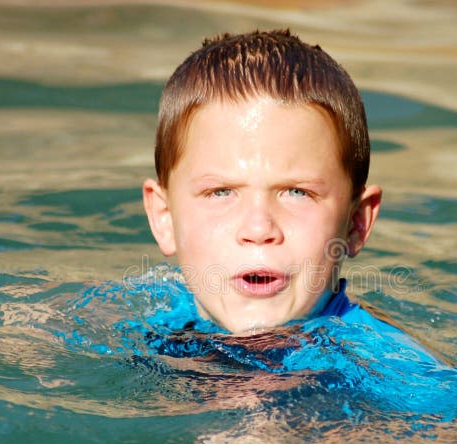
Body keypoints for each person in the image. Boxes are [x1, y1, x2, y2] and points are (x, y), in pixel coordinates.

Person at [141, 28, 441, 365]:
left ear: (356, 223)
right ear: (164, 217)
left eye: (297, 192)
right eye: (221, 192)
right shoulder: (138, 329)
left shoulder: (393, 368)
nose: (258, 228)